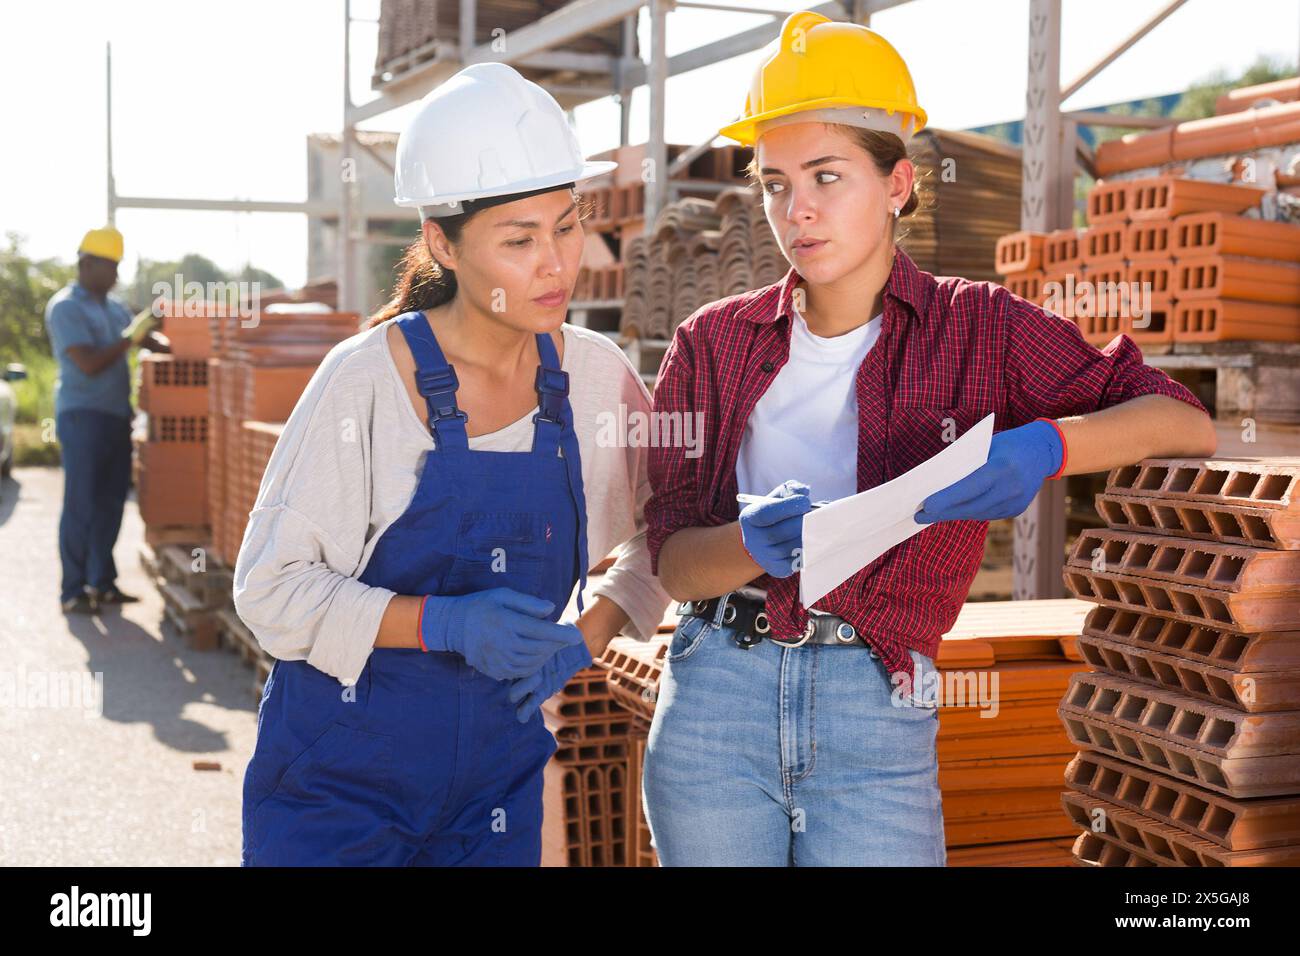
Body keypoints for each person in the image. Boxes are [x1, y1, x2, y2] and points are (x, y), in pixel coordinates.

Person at [640, 11, 1218, 866]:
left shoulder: (980, 328)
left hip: (875, 705)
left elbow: (1183, 418)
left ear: (900, 183)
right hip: (717, 695)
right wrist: (750, 545)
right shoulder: (711, 342)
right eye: (772, 183)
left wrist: (1047, 447)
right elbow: (675, 562)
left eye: (826, 176)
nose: (795, 210)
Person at [234, 62, 671, 866]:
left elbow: (666, 530)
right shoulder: (368, 381)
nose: (556, 264)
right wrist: (443, 623)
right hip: (337, 791)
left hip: (494, 799)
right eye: (518, 239)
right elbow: (269, 590)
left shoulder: (596, 380)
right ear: (443, 242)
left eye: (568, 226)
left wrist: (592, 631)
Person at [44, 226, 161, 614]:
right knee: (81, 502)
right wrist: (131, 336)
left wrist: (163, 332)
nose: (115, 275)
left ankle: (103, 582)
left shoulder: (114, 308)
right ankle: (73, 590)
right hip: (81, 417)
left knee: (111, 503)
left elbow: (150, 342)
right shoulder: (65, 308)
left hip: (115, 417)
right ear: (86, 263)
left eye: (118, 267)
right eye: (110, 267)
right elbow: (90, 363)